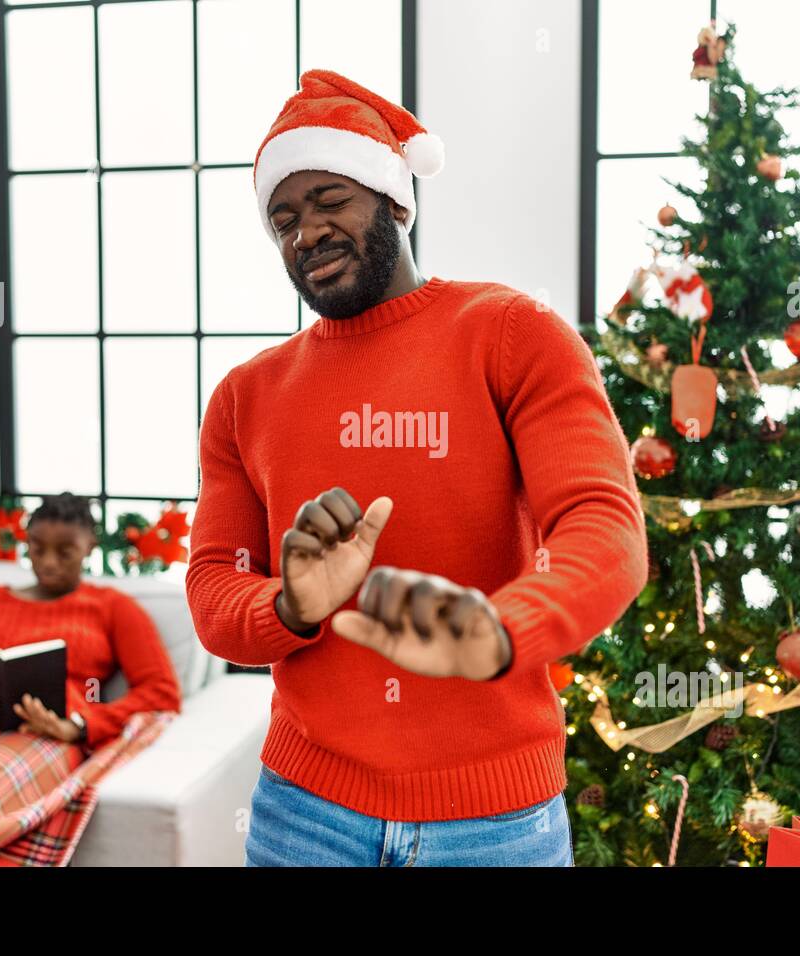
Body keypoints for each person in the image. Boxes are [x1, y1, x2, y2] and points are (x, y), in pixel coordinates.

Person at [185, 69, 648, 866]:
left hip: (498, 823)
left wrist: (502, 631)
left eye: (330, 199)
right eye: (283, 218)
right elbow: (214, 591)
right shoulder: (243, 396)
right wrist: (291, 604)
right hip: (304, 815)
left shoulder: (512, 333)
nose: (306, 233)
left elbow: (605, 529)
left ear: (396, 199)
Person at [0, 492, 181, 749]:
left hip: (45, 744)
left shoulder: (113, 607)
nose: (49, 563)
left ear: (89, 548)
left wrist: (81, 726)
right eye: (37, 549)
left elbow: (161, 693)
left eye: (65, 552)